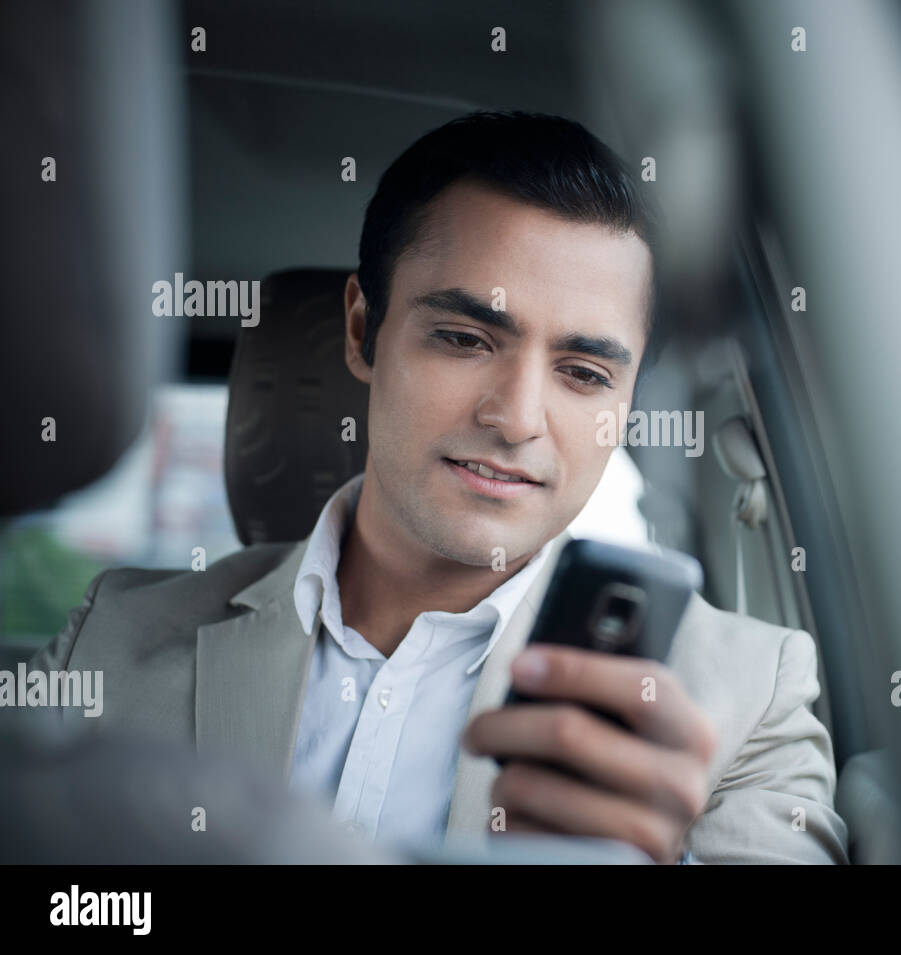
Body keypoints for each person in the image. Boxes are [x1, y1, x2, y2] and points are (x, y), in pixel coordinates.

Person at [29, 110, 850, 864]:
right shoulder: (110, 638)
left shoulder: (749, 696)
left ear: (627, 402)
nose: (516, 419)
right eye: (463, 338)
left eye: (584, 372)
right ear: (363, 330)